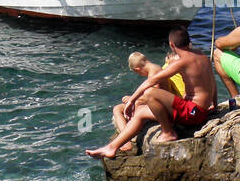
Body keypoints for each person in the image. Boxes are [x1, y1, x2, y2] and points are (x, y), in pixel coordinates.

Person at [86, 29, 216, 159]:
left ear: (172, 45)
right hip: (198, 112)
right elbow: (212, 82)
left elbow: (152, 81)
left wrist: (132, 100)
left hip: (193, 113)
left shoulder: (182, 62)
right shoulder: (202, 56)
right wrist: (214, 105)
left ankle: (168, 132)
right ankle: (112, 147)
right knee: (140, 112)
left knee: (149, 93)